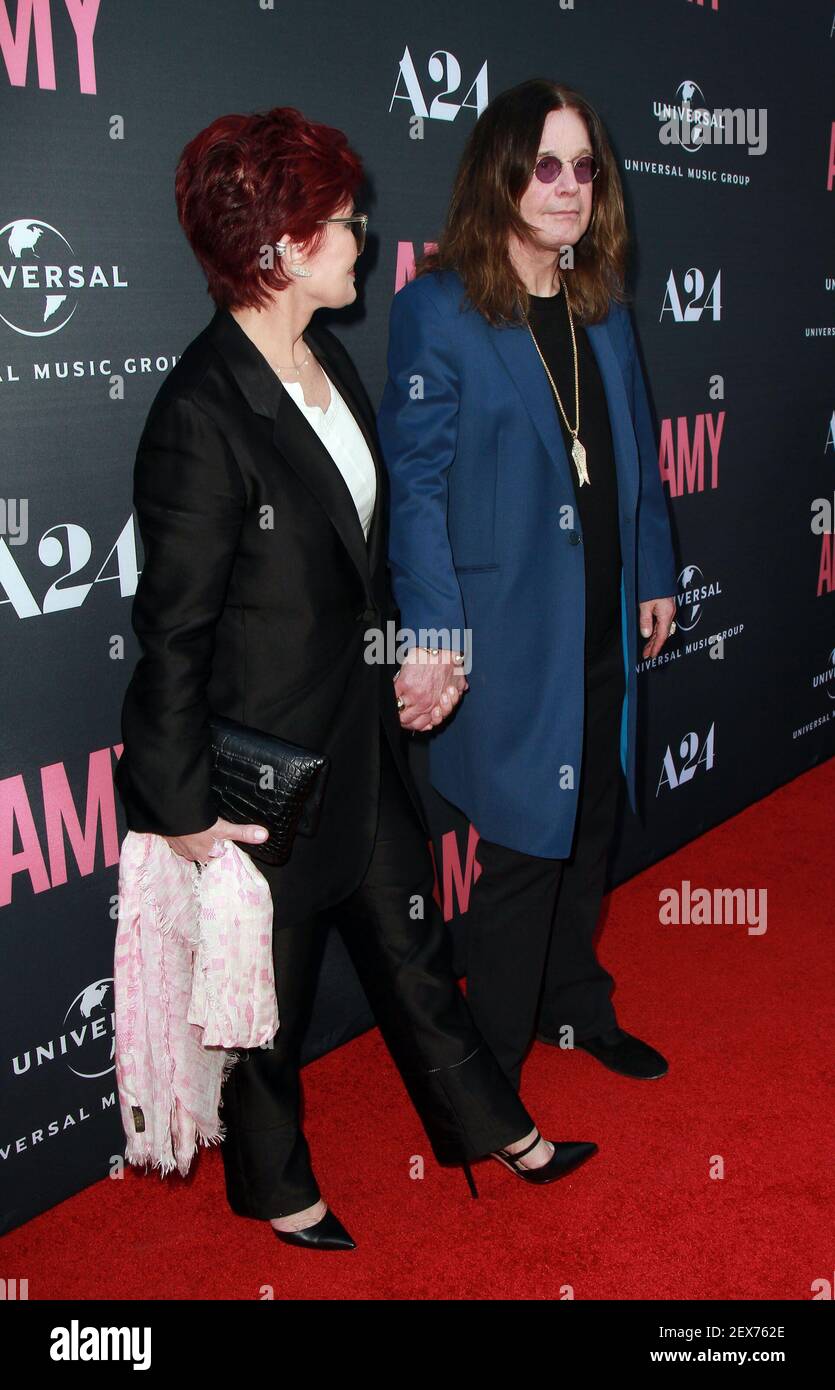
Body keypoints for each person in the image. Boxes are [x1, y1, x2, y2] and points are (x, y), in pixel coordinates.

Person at [113, 105, 598, 1252]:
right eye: (341, 223)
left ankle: (489, 1125)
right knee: (266, 1001)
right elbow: (170, 631)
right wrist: (182, 810)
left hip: (359, 738)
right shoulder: (199, 410)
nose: (363, 240)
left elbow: (361, 554)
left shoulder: (322, 357)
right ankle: (274, 1182)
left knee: (413, 944)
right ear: (278, 247)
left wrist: (408, 661)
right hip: (263, 773)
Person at [377, 79, 678, 1095]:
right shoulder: (438, 311)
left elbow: (633, 455)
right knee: (518, 855)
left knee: (590, 821)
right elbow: (412, 488)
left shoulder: (600, 305)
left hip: (598, 620)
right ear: (501, 175)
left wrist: (655, 571)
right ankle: (488, 1076)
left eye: (583, 167)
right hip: (506, 636)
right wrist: (434, 632)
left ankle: (573, 1005)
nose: (567, 187)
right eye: (544, 165)